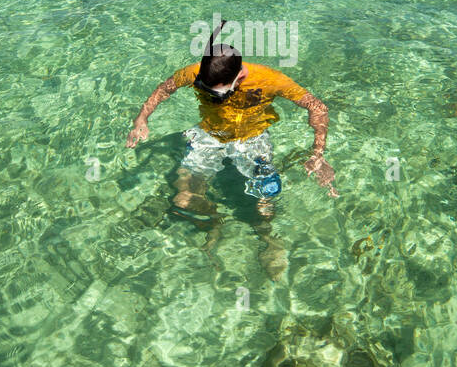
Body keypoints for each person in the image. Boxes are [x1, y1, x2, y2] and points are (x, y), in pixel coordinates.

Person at [125, 20, 337, 276]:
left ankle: (268, 238)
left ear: (241, 76)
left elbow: (317, 107)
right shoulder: (195, 73)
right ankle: (214, 225)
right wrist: (141, 119)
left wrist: (318, 155)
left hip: (253, 139)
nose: (215, 98)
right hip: (210, 135)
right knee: (184, 199)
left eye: (220, 95)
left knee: (265, 204)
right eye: (206, 91)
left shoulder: (270, 79)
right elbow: (164, 89)